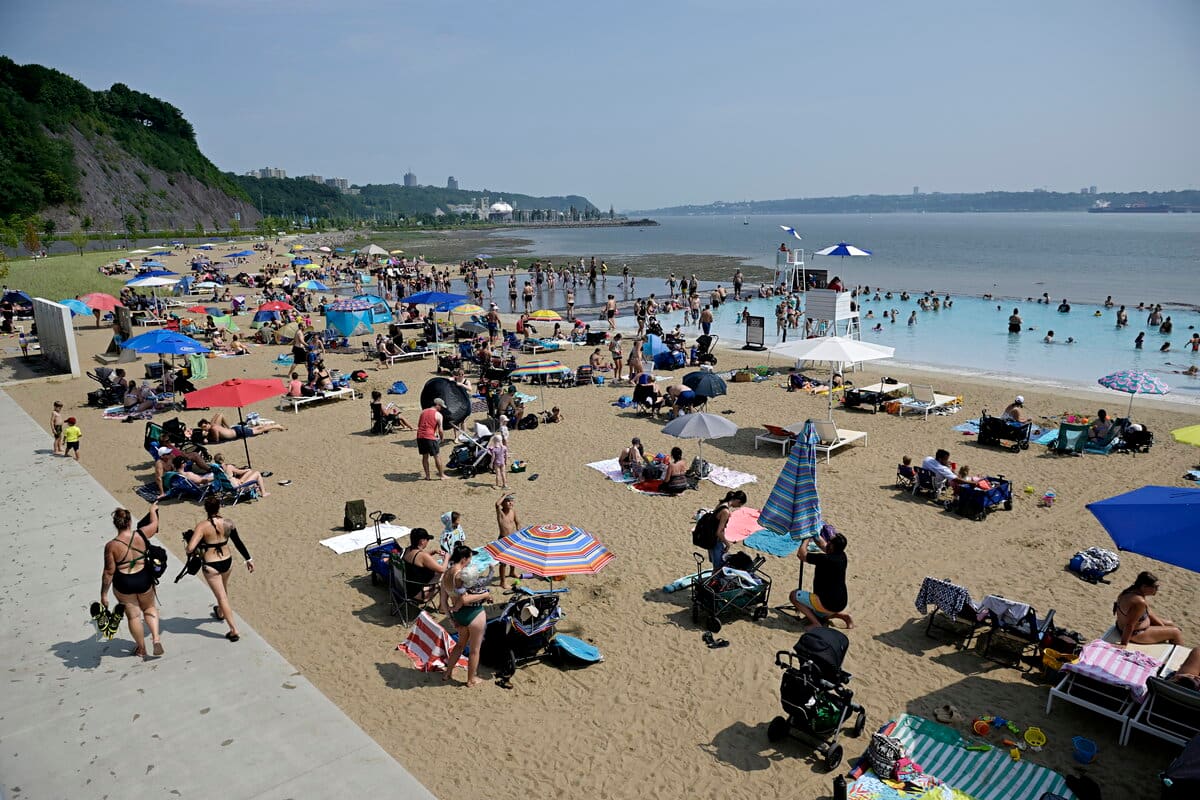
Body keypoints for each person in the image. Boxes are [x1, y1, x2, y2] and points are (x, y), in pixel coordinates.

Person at [186, 496, 254, 643]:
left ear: (206, 509)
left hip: (211, 564)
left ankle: (234, 630)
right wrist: (248, 559)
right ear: (219, 507)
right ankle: (221, 611)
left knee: (221, 596)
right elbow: (238, 542)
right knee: (223, 589)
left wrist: (193, 544)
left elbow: (190, 548)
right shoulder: (228, 523)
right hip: (227, 561)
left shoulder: (202, 526)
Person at [101, 505, 163, 659]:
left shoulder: (111, 546)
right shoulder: (141, 534)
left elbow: (109, 572)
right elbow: (155, 524)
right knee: (149, 608)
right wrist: (152, 511)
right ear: (129, 522)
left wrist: (104, 594)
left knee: (134, 617)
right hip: (143, 578)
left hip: (124, 582)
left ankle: (141, 649)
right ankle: (156, 639)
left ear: (116, 524)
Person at [440, 544, 491, 688]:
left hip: (459, 616)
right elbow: (465, 599)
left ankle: (447, 673)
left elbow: (443, 602)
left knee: (460, 645)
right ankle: (471, 680)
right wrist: (485, 595)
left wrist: (451, 619)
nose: (470, 561)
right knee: (475, 650)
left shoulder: (446, 574)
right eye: (469, 558)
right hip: (473, 613)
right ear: (463, 558)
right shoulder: (461, 575)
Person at [789, 526, 854, 629]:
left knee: (793, 595)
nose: (827, 543)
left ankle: (816, 623)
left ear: (832, 547)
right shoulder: (842, 556)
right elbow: (823, 545)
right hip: (841, 602)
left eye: (830, 543)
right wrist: (814, 534)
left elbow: (801, 555)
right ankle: (844, 616)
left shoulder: (824, 559)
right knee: (819, 613)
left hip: (826, 603)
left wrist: (806, 539)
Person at [1114, 571, 1182, 646]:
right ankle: (1179, 652)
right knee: (1176, 632)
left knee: (1170, 624)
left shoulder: (1131, 591)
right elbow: (1130, 625)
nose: (1157, 589)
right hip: (1135, 634)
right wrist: (1123, 644)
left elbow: (1149, 612)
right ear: (1144, 587)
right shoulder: (1139, 601)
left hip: (1122, 627)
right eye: (1155, 587)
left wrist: (1162, 626)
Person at [400, 528, 445, 603]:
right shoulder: (422, 556)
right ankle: (442, 606)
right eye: (427, 539)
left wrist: (433, 551)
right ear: (422, 541)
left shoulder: (407, 550)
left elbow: (418, 558)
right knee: (445, 575)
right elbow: (442, 569)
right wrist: (447, 557)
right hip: (419, 594)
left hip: (405, 589)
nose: (428, 542)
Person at [706, 489, 746, 566]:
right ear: (738, 501)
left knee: (715, 562)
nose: (738, 507)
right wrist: (727, 544)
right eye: (740, 504)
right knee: (718, 566)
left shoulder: (721, 504)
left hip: (709, 536)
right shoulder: (725, 511)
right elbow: (719, 532)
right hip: (715, 540)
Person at [197, 413, 286, 443]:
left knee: (258, 431)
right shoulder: (214, 425)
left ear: (207, 424)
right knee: (257, 428)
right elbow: (220, 414)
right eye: (203, 428)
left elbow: (216, 440)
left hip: (238, 432)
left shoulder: (213, 428)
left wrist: (207, 438)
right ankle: (274, 425)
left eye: (204, 427)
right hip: (235, 430)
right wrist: (227, 428)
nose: (204, 429)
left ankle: (276, 426)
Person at [416, 398, 449, 480]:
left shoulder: (423, 412)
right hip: (429, 436)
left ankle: (427, 476)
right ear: (437, 405)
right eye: (441, 406)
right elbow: (440, 430)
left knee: (425, 456)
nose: (441, 408)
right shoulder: (438, 415)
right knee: (436, 456)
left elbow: (419, 425)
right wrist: (442, 438)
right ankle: (442, 475)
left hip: (420, 436)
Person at [495, 494, 520, 589]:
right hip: (503, 538)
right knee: (503, 562)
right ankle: (502, 582)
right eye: (508, 501)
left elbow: (517, 522)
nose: (510, 503)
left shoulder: (513, 511)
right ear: (503, 503)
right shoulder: (500, 512)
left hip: (513, 538)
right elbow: (497, 504)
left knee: (513, 557)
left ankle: (512, 572)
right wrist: (504, 495)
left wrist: (518, 530)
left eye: (511, 501)